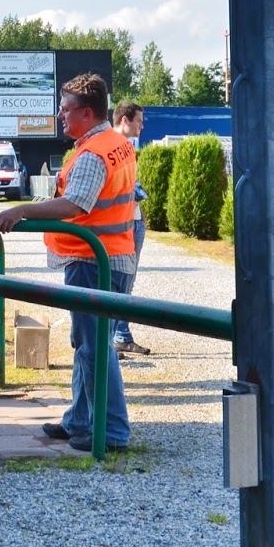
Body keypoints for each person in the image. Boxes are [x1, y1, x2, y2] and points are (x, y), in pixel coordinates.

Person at [0, 73, 135, 452]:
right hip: (110, 255)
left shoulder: (91, 155)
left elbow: (74, 205)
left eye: (65, 109)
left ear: (87, 113)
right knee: (88, 343)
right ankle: (80, 422)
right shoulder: (115, 143)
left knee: (94, 348)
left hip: (93, 259)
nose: (59, 115)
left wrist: (22, 209)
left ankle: (113, 432)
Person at [109, 101, 151, 357]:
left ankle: (119, 335)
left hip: (132, 220)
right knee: (121, 283)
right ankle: (118, 336)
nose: (142, 126)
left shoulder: (127, 146)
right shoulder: (113, 146)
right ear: (124, 120)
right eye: (138, 121)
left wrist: (140, 213)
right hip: (122, 224)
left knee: (127, 283)